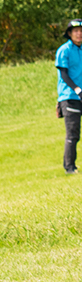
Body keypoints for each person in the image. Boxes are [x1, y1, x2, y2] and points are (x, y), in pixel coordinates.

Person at [57, 19, 82, 174]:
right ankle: (70, 167)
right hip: (70, 96)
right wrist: (77, 89)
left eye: (81, 31)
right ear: (69, 34)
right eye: (76, 31)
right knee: (73, 134)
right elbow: (64, 74)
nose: (79, 34)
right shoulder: (64, 50)